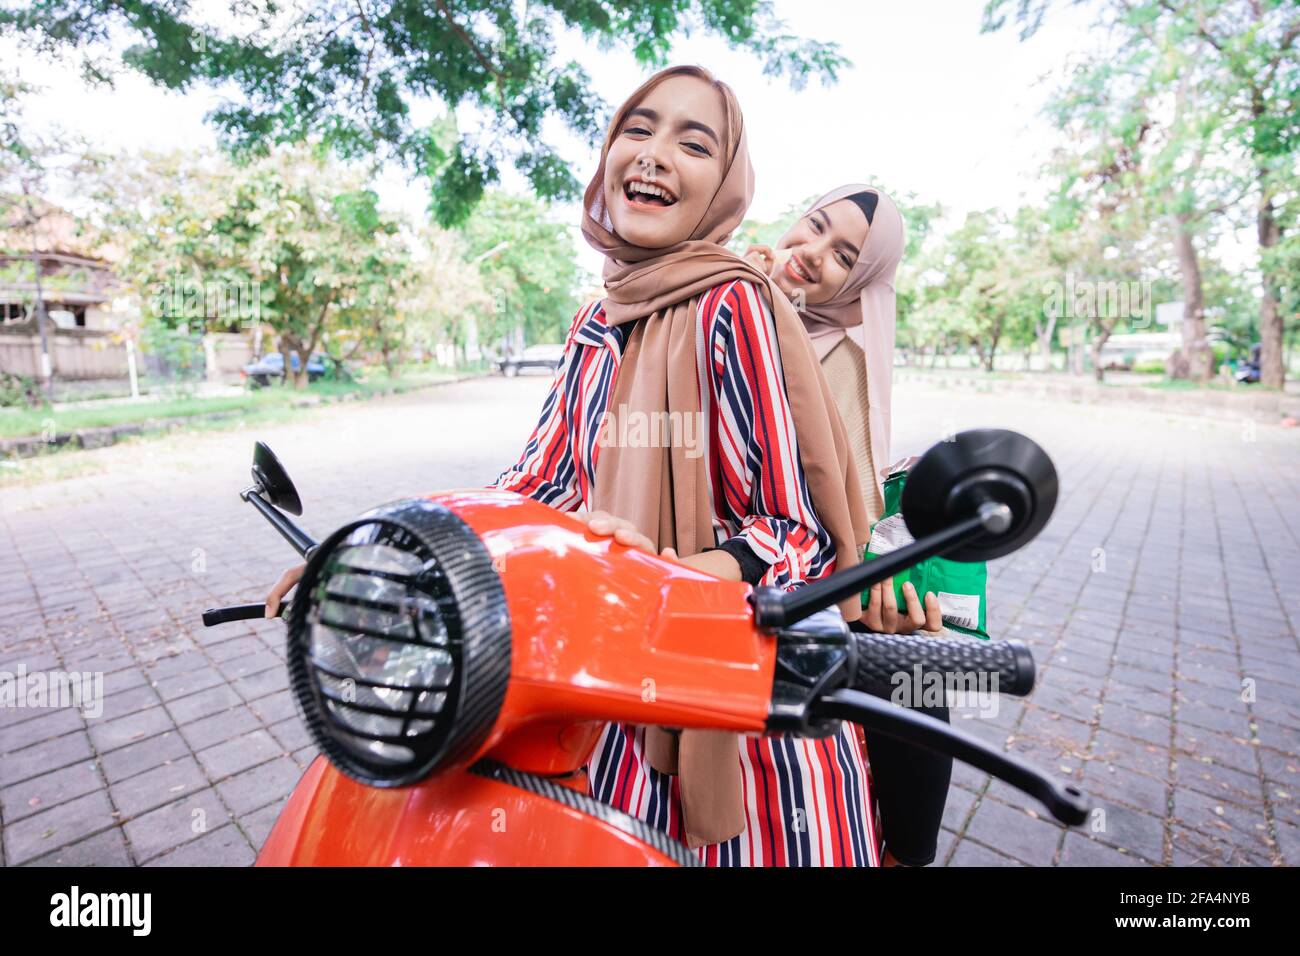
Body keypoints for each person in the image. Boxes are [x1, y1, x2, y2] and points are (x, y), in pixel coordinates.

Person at [748, 186, 953, 866]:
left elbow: (849, 500)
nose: (812, 255)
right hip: (721, 558)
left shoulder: (842, 355)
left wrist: (865, 584)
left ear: (860, 284)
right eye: (813, 228)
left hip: (806, 564)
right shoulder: (725, 298)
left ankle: (907, 853)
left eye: (843, 257)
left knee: (921, 672)